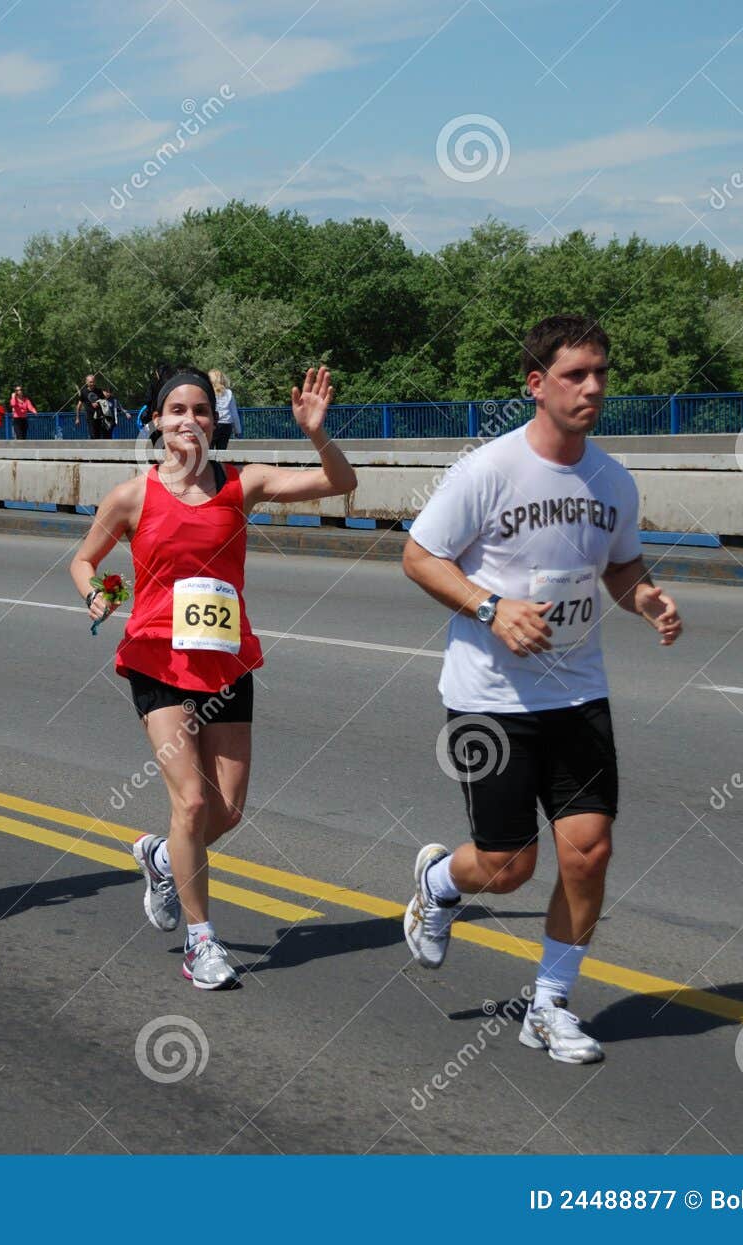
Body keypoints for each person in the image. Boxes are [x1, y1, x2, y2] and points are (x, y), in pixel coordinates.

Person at [400, 315, 683, 1064]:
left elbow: (620, 566)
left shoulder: (613, 478)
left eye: (601, 373)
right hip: (489, 696)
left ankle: (549, 1003)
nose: (593, 387)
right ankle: (438, 881)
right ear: (536, 383)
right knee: (506, 865)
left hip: (578, 692)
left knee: (588, 851)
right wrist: (492, 609)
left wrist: (646, 597)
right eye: (575, 374)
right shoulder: (486, 471)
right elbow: (419, 555)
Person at [69, 365, 355, 988]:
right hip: (157, 657)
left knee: (226, 811)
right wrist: (97, 594)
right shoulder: (132, 496)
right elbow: (84, 560)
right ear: (157, 421)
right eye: (176, 410)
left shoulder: (243, 482)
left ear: (214, 420)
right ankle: (202, 943)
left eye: (201, 410)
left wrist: (316, 433)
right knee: (192, 802)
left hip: (224, 659)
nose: (189, 421)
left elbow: (341, 482)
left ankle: (160, 857)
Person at [209, 369, 239, 449]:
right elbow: (234, 413)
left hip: (213, 424)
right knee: (222, 450)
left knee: (209, 450)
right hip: (227, 424)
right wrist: (237, 430)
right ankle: (220, 462)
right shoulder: (228, 393)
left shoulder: (208, 392)